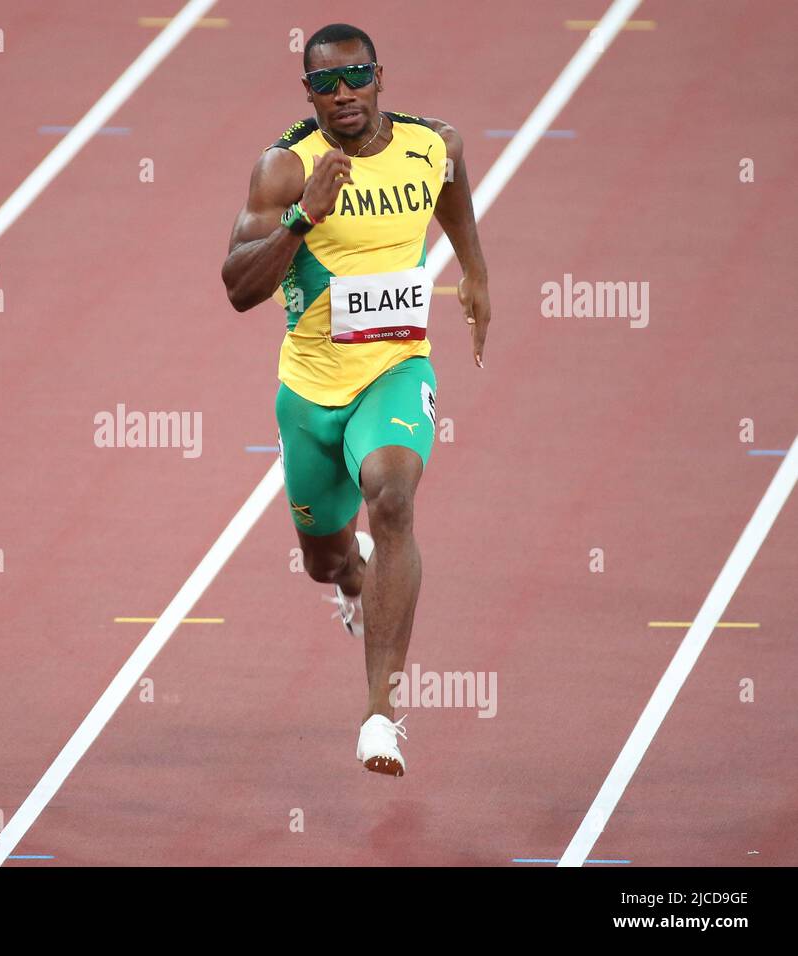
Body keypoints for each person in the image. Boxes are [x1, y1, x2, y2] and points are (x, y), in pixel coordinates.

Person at [221, 23, 490, 776]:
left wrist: (475, 271)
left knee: (394, 497)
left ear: (380, 77)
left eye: (357, 76)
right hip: (310, 394)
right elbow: (239, 288)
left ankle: (380, 713)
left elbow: (452, 183)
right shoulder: (285, 168)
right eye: (326, 83)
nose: (343, 93)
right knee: (323, 557)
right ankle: (350, 575)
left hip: (396, 372)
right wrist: (304, 214)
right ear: (307, 94)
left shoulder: (430, 143)